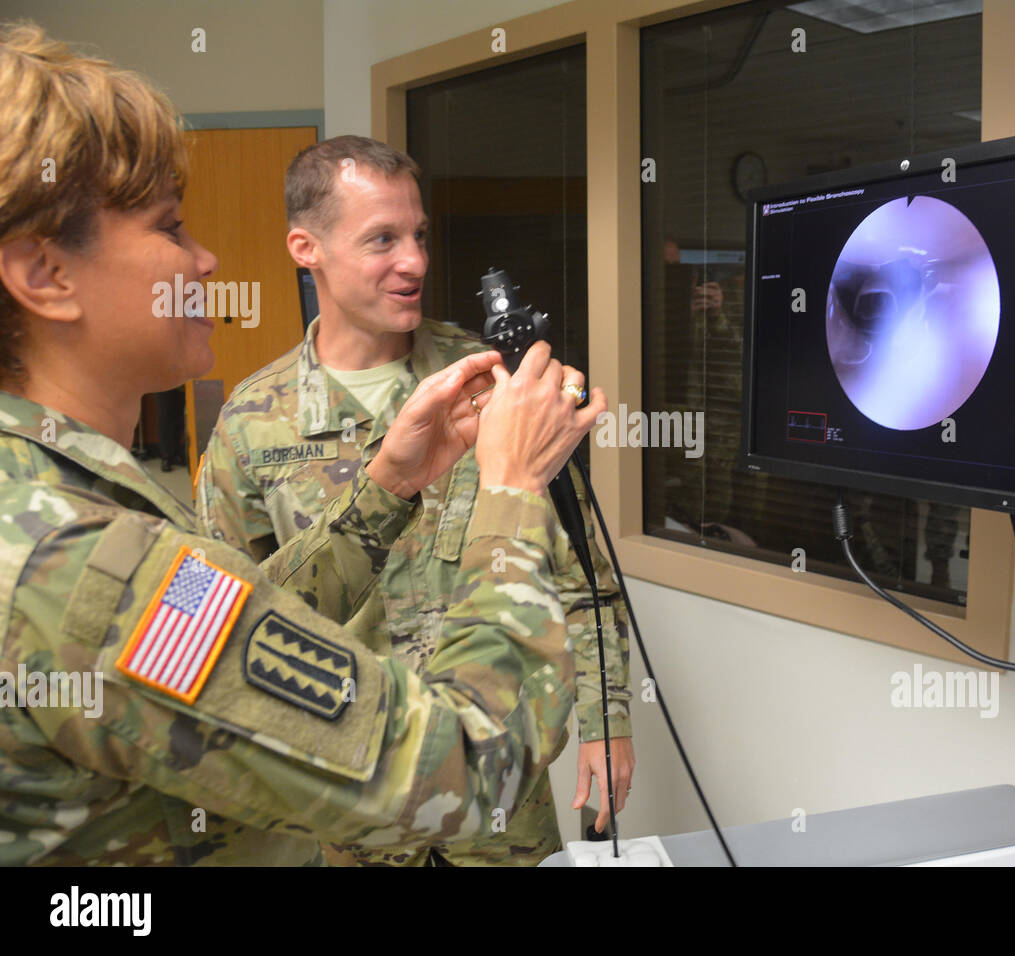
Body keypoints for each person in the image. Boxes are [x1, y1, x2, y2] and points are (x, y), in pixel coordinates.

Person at [0, 21, 604, 865]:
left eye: (418, 236)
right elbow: (474, 770)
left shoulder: (45, 505)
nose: (206, 260)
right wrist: (508, 489)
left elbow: (235, 615)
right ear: (46, 275)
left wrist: (386, 486)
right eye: (171, 228)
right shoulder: (79, 565)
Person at [198, 135, 635, 866]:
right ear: (307, 248)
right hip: (346, 803)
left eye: (420, 235)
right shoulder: (251, 425)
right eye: (382, 240)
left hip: (498, 797)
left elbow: (582, 573)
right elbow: (232, 621)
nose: (416, 262)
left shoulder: (494, 387)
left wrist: (607, 718)